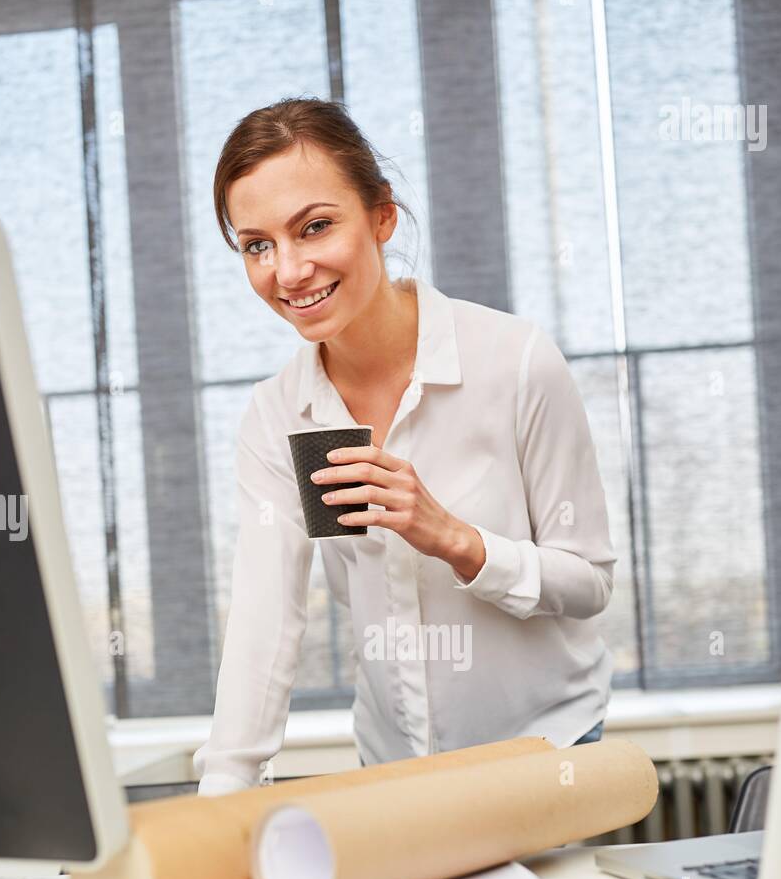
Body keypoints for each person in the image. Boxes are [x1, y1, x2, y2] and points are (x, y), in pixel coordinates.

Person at [193, 97, 617, 796]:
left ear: (382, 216)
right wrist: (222, 798)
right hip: (395, 781)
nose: (290, 270)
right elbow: (264, 620)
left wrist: (454, 538)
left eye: (315, 227)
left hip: (549, 762)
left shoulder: (514, 363)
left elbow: (590, 583)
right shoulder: (280, 418)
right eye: (258, 245)